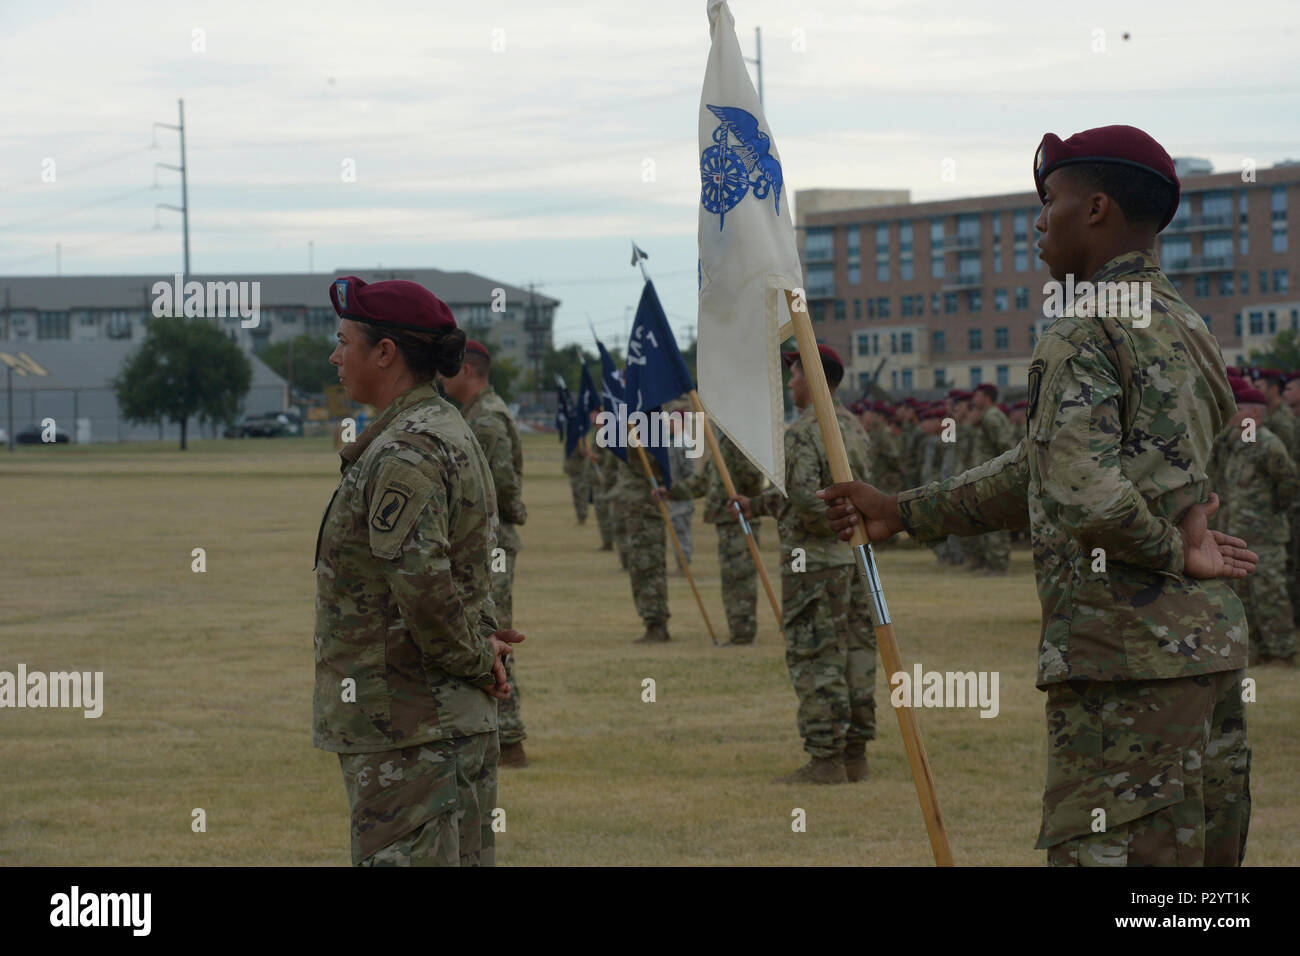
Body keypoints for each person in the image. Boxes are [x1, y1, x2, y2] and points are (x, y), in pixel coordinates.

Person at [819, 126, 1259, 866]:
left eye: (1048, 199)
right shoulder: (1190, 326)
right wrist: (902, 510)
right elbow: (1042, 467)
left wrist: (1172, 552)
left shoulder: (1082, 328)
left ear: (1095, 210)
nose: (1036, 221)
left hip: (1123, 660)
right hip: (1205, 651)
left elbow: (1085, 493)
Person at [314, 275, 522, 867]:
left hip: (412, 728)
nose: (335, 356)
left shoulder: (408, 448)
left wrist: (481, 660)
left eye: (344, 340)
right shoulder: (442, 429)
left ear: (385, 353)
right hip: (433, 722)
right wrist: (482, 653)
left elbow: (426, 591)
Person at [731, 345, 875, 784]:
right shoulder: (854, 428)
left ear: (810, 380)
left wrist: (825, 522)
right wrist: (755, 504)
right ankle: (855, 754)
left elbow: (805, 499)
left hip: (812, 565)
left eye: (793, 375)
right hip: (855, 560)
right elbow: (844, 492)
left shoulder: (801, 433)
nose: (789, 382)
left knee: (817, 656)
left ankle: (825, 758)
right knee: (857, 654)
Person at [441, 340, 531, 767]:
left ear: (467, 371)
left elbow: (498, 491)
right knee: (483, 631)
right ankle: (490, 734)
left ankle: (509, 740)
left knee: (492, 633)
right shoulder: (474, 415)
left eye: (447, 370)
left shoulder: (487, 421)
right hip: (483, 543)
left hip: (489, 546)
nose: (440, 378)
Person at [1210, 384, 1297, 666]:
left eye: (1242, 408)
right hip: (1240, 533)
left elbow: (1289, 484)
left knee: (1270, 594)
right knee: (1244, 596)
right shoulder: (1239, 443)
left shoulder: (1269, 444)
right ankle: (1255, 649)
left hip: (1266, 534)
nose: (1235, 414)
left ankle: (1282, 652)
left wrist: (1270, 512)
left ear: (1256, 412)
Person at [656, 427, 766, 646]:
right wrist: (670, 491)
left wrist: (745, 500)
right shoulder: (722, 444)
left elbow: (754, 477)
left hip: (739, 520)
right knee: (730, 579)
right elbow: (703, 482)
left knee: (740, 578)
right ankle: (738, 631)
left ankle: (743, 633)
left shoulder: (739, 441)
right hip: (725, 522)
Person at [966, 383, 1015, 574]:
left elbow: (1004, 446)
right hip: (986, 477)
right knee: (988, 519)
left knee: (996, 519)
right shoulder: (985, 417)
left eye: (976, 395)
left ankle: (999, 563)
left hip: (993, 477)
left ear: (986, 397)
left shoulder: (992, 417)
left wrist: (1000, 473)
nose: (973, 399)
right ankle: (991, 562)